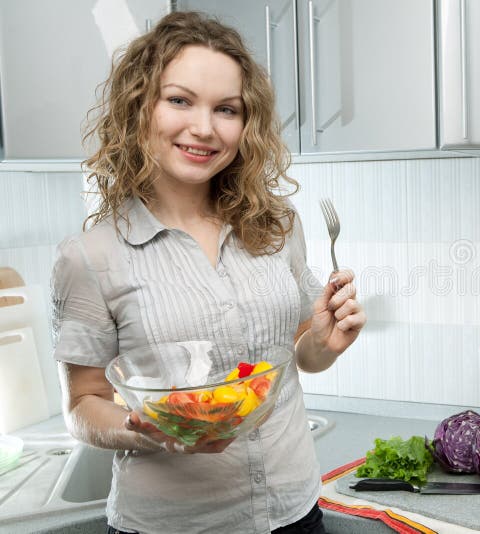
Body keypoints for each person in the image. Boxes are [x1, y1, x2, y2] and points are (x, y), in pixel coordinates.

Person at [50, 11, 365, 534]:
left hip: (294, 511)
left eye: (226, 109)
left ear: (247, 124)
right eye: (179, 100)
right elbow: (84, 404)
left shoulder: (278, 224)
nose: (204, 127)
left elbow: (300, 354)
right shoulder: (89, 256)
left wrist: (326, 342)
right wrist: (144, 427)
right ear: (139, 107)